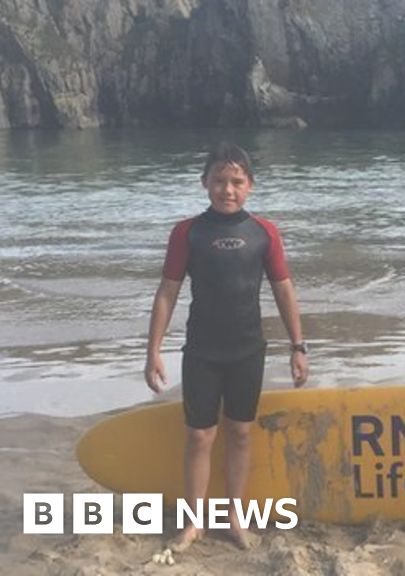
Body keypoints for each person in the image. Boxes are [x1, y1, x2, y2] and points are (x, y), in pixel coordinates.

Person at [144, 142, 309, 550]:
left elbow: (284, 290)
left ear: (250, 186)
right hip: (201, 350)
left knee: (239, 432)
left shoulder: (264, 232)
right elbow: (167, 292)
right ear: (205, 183)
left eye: (236, 181)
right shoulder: (188, 232)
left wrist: (298, 346)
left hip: (248, 350)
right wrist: (153, 351)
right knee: (199, 437)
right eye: (219, 180)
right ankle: (192, 522)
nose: (227, 189)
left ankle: (235, 517)